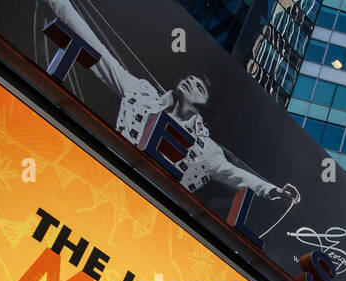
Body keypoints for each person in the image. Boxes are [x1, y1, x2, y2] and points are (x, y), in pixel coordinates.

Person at [41, 0, 298, 203]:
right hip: (95, 177)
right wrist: (61, 6)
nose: (190, 82)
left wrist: (272, 191)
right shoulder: (142, 94)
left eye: (199, 86)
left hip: (140, 210)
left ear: (206, 105)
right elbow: (100, 57)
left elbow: (237, 176)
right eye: (191, 77)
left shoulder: (207, 150)